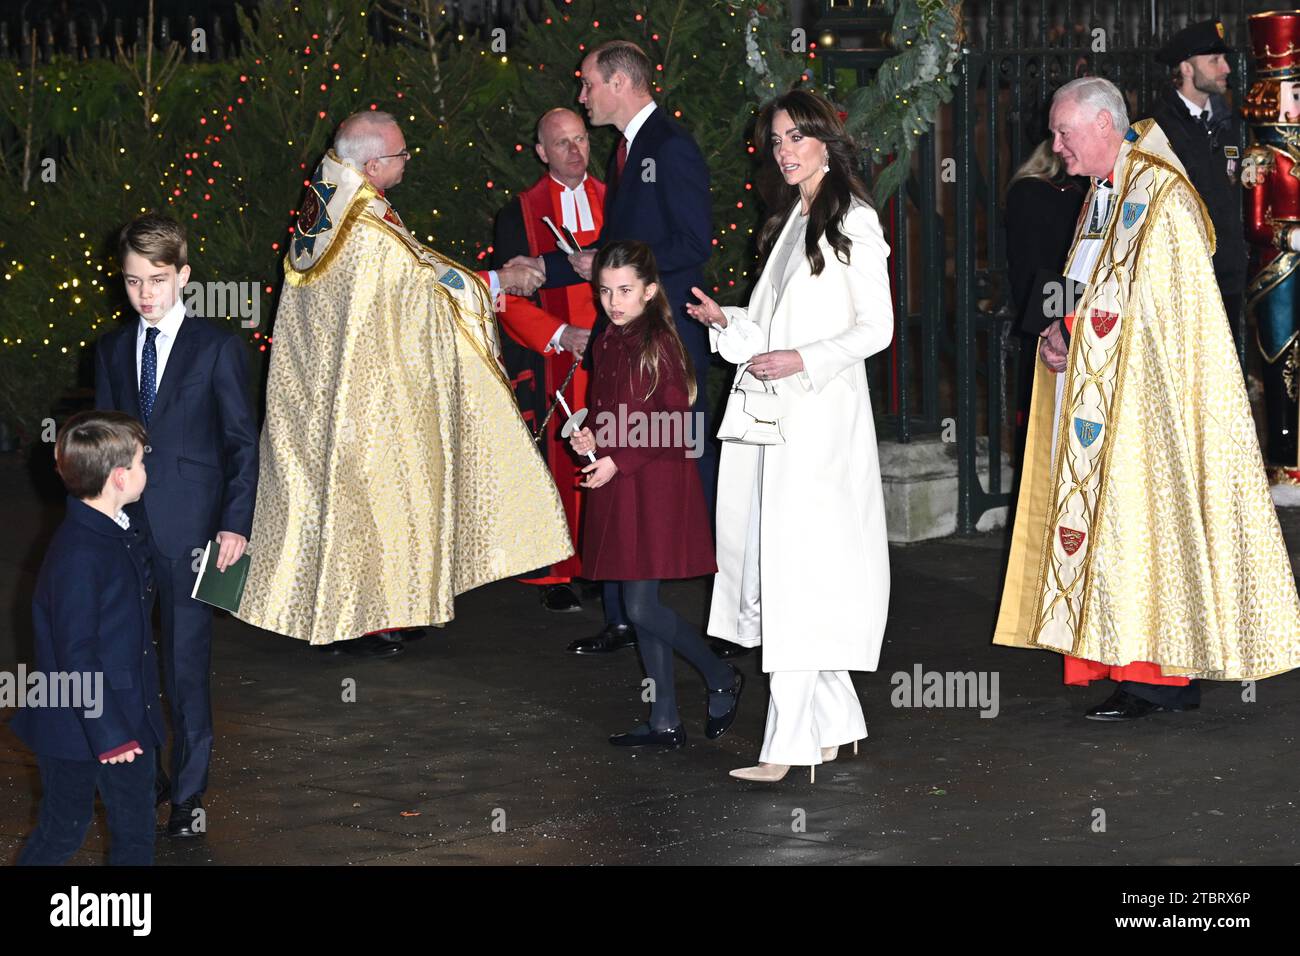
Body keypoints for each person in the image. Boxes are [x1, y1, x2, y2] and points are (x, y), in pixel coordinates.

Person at [994, 77, 1300, 720]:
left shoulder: (1158, 194)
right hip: (1110, 392)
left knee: (1150, 527)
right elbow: (1081, 275)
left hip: (1151, 404)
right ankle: (1129, 663)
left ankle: (1158, 677)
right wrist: (1055, 326)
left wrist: (1075, 330)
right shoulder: (1109, 188)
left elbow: (1155, 304)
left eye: (1064, 133)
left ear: (1104, 126)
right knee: (1121, 528)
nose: (1056, 146)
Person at [234, 111, 572, 655]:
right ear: (371, 165)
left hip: (323, 384)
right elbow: (417, 288)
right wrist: (497, 281)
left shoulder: (331, 197)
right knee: (373, 500)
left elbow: (412, 268)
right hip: (363, 393)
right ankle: (361, 620)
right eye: (400, 155)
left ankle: (378, 609)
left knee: (356, 502)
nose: (407, 162)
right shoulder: (362, 226)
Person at [506, 41, 738, 657]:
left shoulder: (670, 146)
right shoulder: (631, 147)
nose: (581, 96)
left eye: (587, 85)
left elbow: (693, 245)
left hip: (666, 340)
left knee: (683, 468)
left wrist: (626, 276)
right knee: (617, 462)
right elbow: (608, 250)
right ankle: (624, 615)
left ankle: (726, 623)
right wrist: (541, 270)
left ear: (617, 83)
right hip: (628, 338)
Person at [687, 90, 894, 782]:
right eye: (776, 141)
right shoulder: (790, 219)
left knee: (798, 573)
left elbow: (876, 328)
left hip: (820, 424)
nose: (784, 150)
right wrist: (730, 322)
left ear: (825, 140)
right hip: (778, 421)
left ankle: (788, 746)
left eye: (794, 137)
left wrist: (803, 359)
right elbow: (778, 332)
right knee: (790, 567)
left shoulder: (853, 220)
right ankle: (836, 724)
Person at [94, 213, 258, 838]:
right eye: (134, 281)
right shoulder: (111, 349)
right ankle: (150, 774)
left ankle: (189, 795)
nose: (146, 295)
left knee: (186, 665)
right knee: (127, 660)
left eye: (158, 280)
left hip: (192, 531)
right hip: (124, 530)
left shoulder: (215, 345)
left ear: (183, 276)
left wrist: (234, 524)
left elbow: (243, 442)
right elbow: (105, 444)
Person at [568, 241, 742, 748]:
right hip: (620, 478)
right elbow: (607, 407)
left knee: (641, 606)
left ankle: (719, 676)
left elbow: (672, 422)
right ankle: (665, 718)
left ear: (648, 290)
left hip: (653, 484)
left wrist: (618, 459)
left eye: (624, 290)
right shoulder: (608, 336)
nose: (613, 301)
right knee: (636, 598)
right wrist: (592, 435)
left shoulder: (658, 341)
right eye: (605, 291)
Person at [12, 412, 165, 865]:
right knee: (80, 833)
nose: (145, 471)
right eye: (141, 462)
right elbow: (77, 653)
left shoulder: (108, 528)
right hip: (95, 724)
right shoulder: (80, 551)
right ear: (120, 477)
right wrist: (112, 735)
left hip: (109, 713)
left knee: (87, 829)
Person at [491, 107, 605, 617]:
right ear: (541, 152)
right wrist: (563, 335)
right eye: (562, 143)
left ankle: (606, 562)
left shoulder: (618, 200)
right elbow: (508, 295)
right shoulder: (518, 213)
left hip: (612, 353)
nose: (575, 150)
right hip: (555, 358)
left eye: (581, 139)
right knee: (555, 459)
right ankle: (557, 569)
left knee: (614, 447)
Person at [1150, 19, 1247, 344]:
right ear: (1186, 68)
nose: (1226, 68)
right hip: (1184, 284)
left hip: (1229, 279)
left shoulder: (1232, 124)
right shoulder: (1159, 128)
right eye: (1214, 60)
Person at [1242, 11, 1300, 485]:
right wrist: (1289, 237)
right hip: (1278, 269)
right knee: (1281, 360)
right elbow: (1254, 225)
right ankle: (1285, 460)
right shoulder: (1260, 156)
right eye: (1293, 93)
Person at [1003, 139, 1087, 458]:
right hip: (1052, 301)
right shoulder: (1040, 192)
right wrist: (1055, 319)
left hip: (1047, 302)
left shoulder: (1027, 190)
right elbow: (1042, 259)